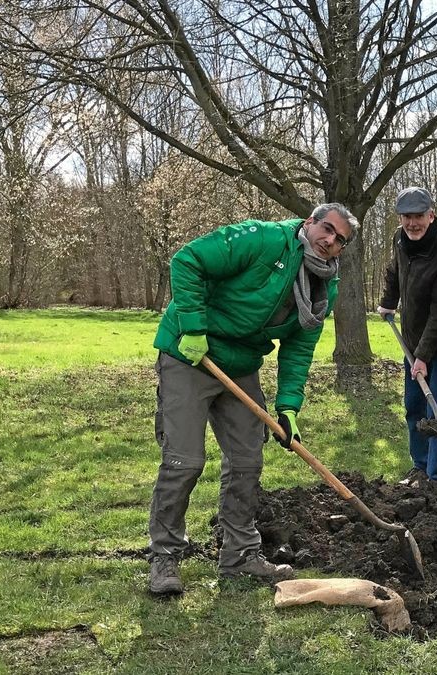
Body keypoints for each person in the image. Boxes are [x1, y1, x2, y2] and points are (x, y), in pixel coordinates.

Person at [147, 203, 358, 595]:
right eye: (327, 229)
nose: (330, 241)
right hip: (191, 353)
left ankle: (239, 556)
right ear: (310, 222)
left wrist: (289, 406)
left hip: (240, 364)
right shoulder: (264, 239)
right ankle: (165, 556)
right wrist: (193, 327)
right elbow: (187, 260)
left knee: (247, 459)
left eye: (339, 240)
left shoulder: (324, 284)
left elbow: (299, 347)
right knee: (185, 461)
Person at [376, 187, 437, 486]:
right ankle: (420, 467)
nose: (412, 223)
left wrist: (424, 357)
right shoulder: (400, 240)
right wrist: (389, 301)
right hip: (413, 339)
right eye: (407, 217)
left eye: (418, 216)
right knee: (414, 406)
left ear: (431, 215)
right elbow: (394, 271)